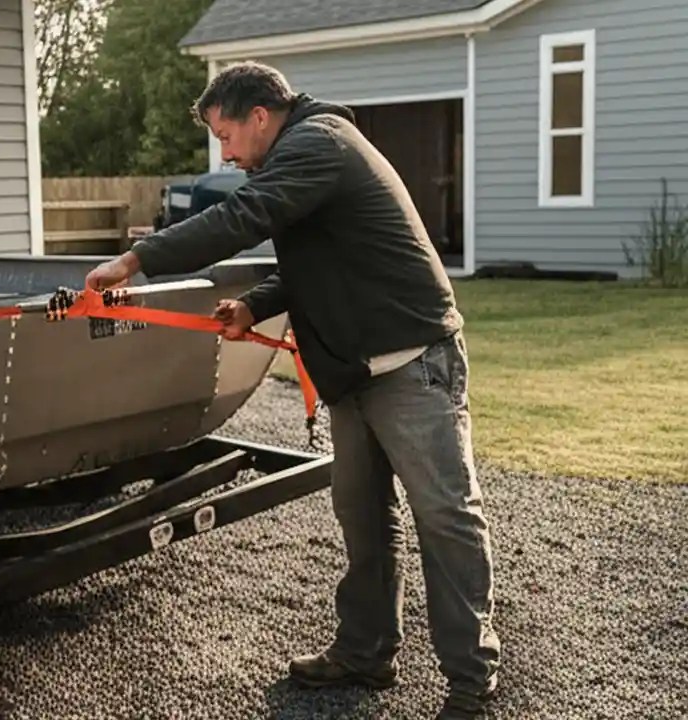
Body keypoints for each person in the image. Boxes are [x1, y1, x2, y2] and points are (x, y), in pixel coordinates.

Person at [84, 62, 501, 719]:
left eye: (226, 134)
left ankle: (471, 685)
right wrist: (254, 306)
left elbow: (247, 217)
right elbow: (314, 258)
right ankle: (366, 653)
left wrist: (137, 259)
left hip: (411, 361)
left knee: (445, 518)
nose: (224, 152)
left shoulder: (318, 144)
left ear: (260, 116)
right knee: (363, 518)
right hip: (353, 370)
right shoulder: (302, 156)